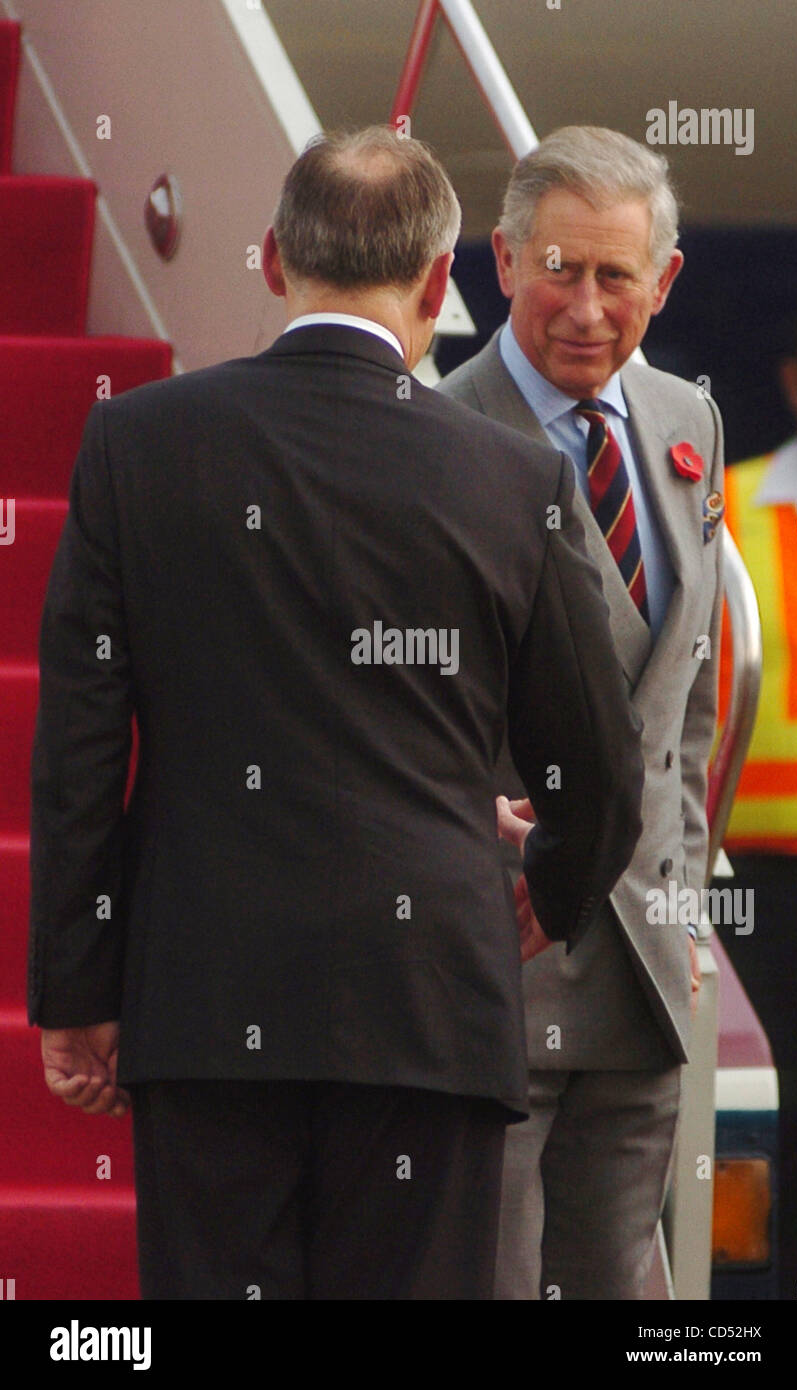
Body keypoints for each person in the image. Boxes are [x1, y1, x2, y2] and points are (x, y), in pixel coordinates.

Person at [28, 126, 644, 1301]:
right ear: (436, 279)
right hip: (429, 1010)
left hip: (206, 1005)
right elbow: (601, 769)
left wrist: (78, 987)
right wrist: (544, 888)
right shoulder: (516, 482)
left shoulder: (136, 445)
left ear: (271, 260)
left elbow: (77, 753)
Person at [438, 125, 725, 1300]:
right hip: (495, 952)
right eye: (559, 268)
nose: (586, 306)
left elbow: (689, 700)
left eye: (616, 276)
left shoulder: (684, 422)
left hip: (647, 968)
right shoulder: (433, 433)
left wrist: (688, 894)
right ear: (501, 263)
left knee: (619, 1284)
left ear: (661, 280)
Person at [717, 290, 797, 1298]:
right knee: (747, 1113)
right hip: (747, 890)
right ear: (791, 382)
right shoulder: (725, 505)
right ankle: (738, 1307)